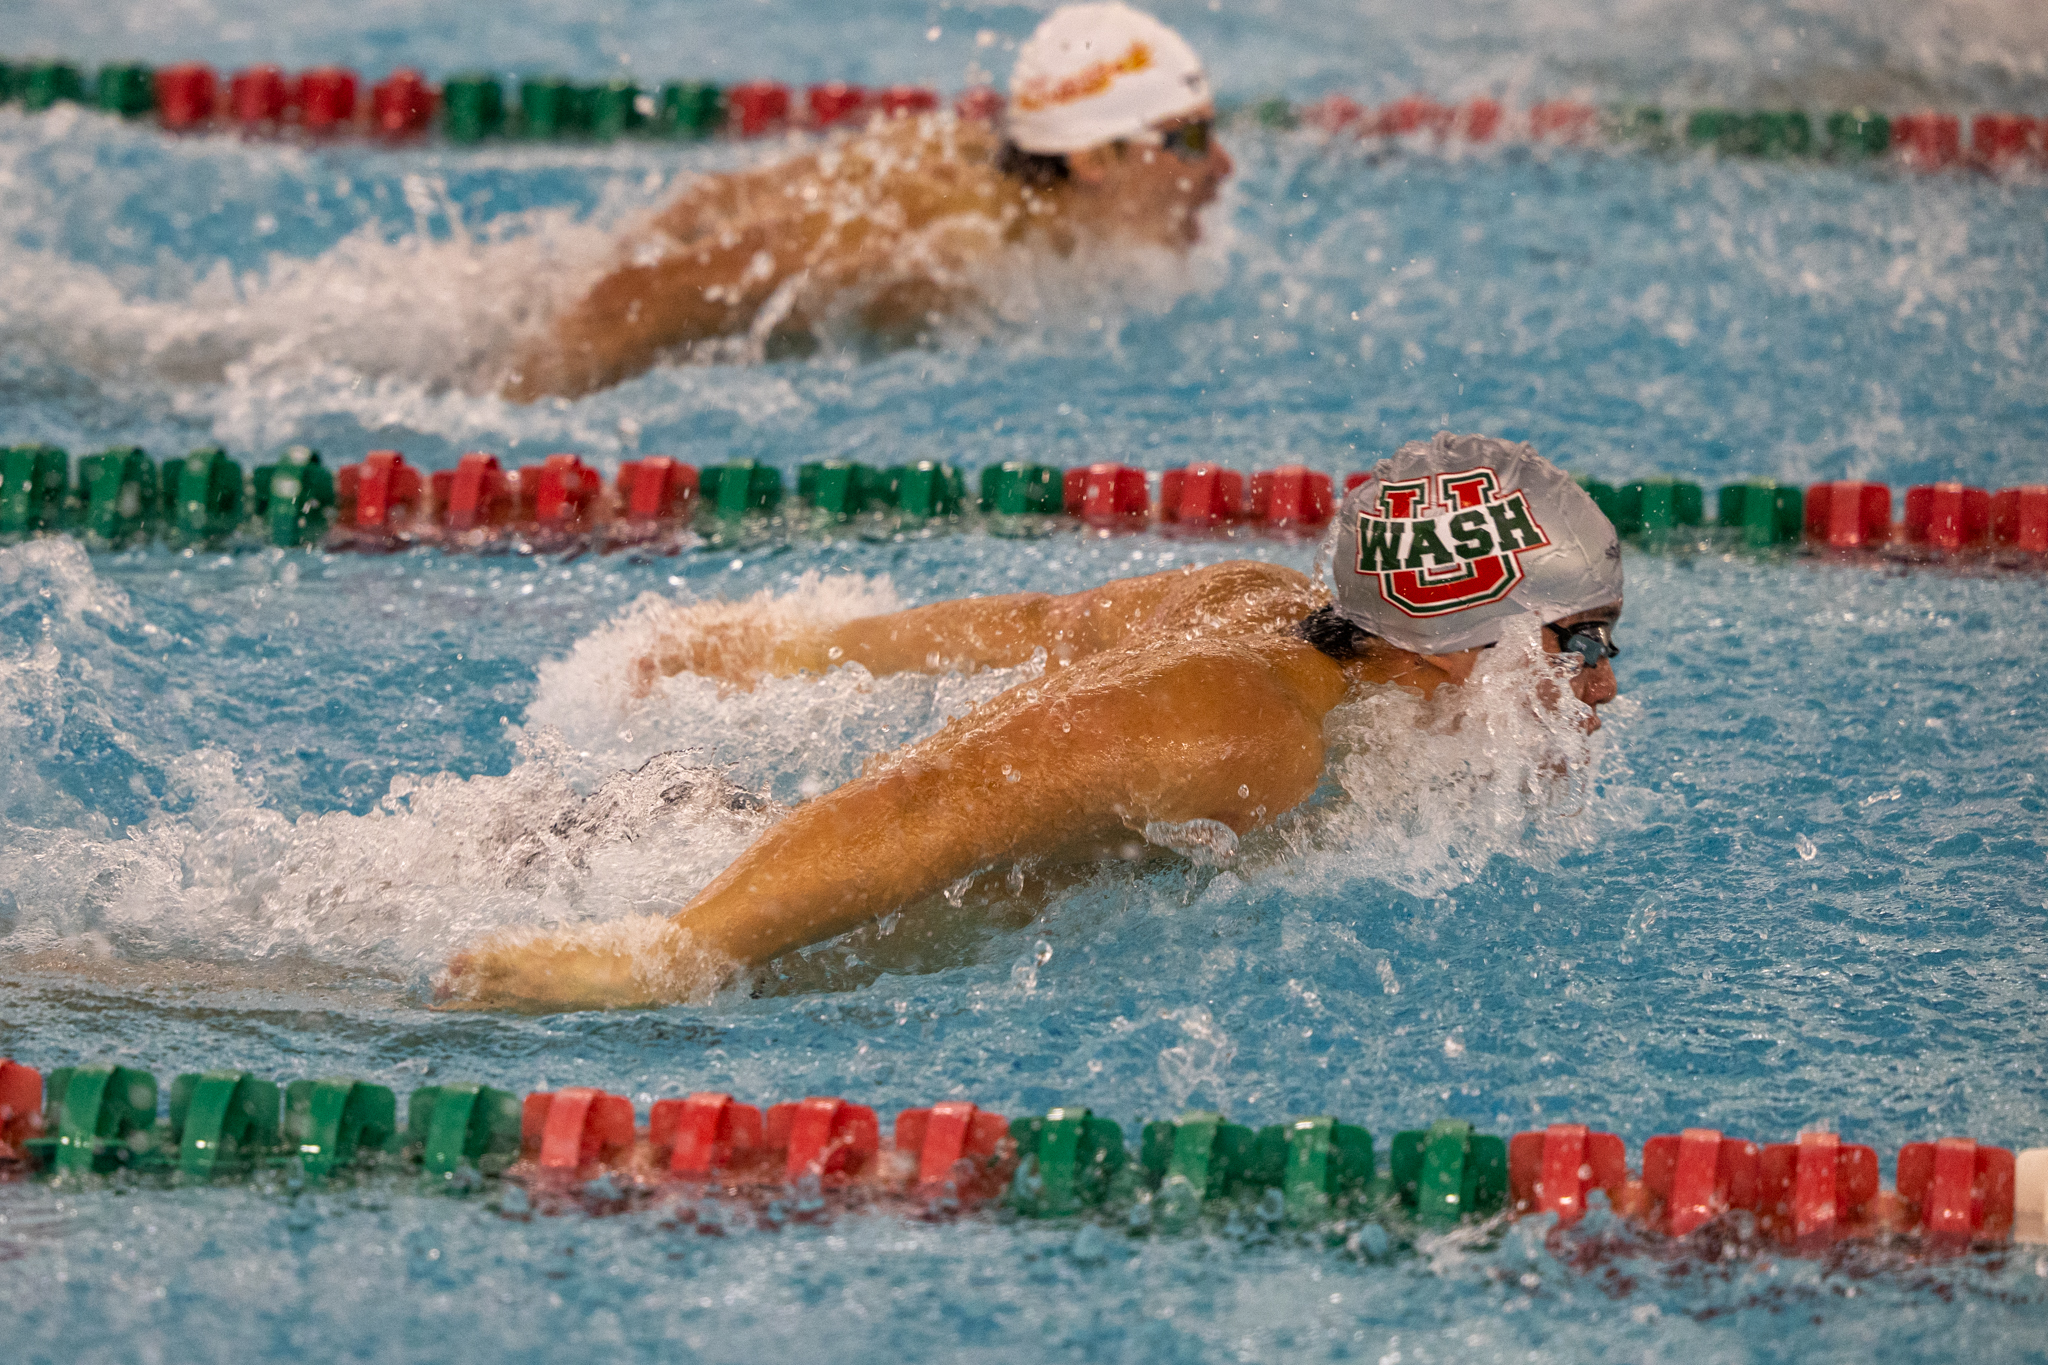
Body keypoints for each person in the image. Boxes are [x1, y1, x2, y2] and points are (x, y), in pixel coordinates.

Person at [440, 433, 1625, 1010]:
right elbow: (938, 796)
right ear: (1459, 645)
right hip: (724, 899)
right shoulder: (1248, 736)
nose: (1602, 684)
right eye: (1578, 642)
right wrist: (675, 951)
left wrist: (783, 651)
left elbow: (1030, 624)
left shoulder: (1257, 605)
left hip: (720, 842)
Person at [500, 2, 1233, 401]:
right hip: (532, 346)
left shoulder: (971, 164)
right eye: (1191, 139)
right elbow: (631, 301)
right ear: (1095, 157)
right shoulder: (947, 249)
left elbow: (711, 202)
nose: (1221, 168)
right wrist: (507, 408)